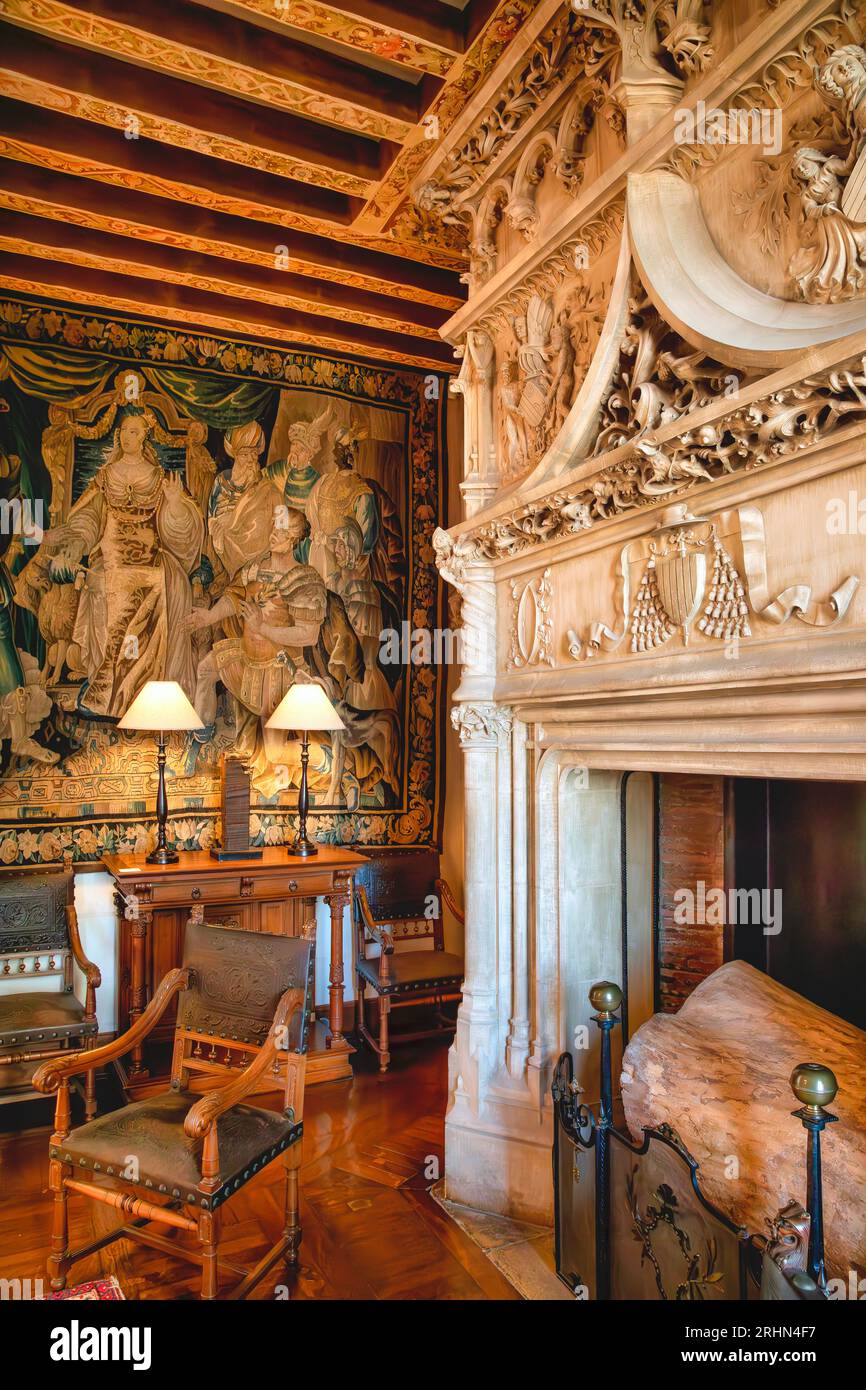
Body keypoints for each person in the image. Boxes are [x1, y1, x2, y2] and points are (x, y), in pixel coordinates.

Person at [44, 412, 202, 718]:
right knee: (105, 586)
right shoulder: (106, 476)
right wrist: (77, 544)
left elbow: (181, 530)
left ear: (145, 437)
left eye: (136, 432)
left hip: (151, 559)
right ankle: (110, 692)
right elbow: (89, 517)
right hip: (112, 559)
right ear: (119, 436)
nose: (130, 437)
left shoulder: (158, 478)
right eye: (125, 432)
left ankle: (143, 693)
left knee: (168, 584)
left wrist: (175, 502)